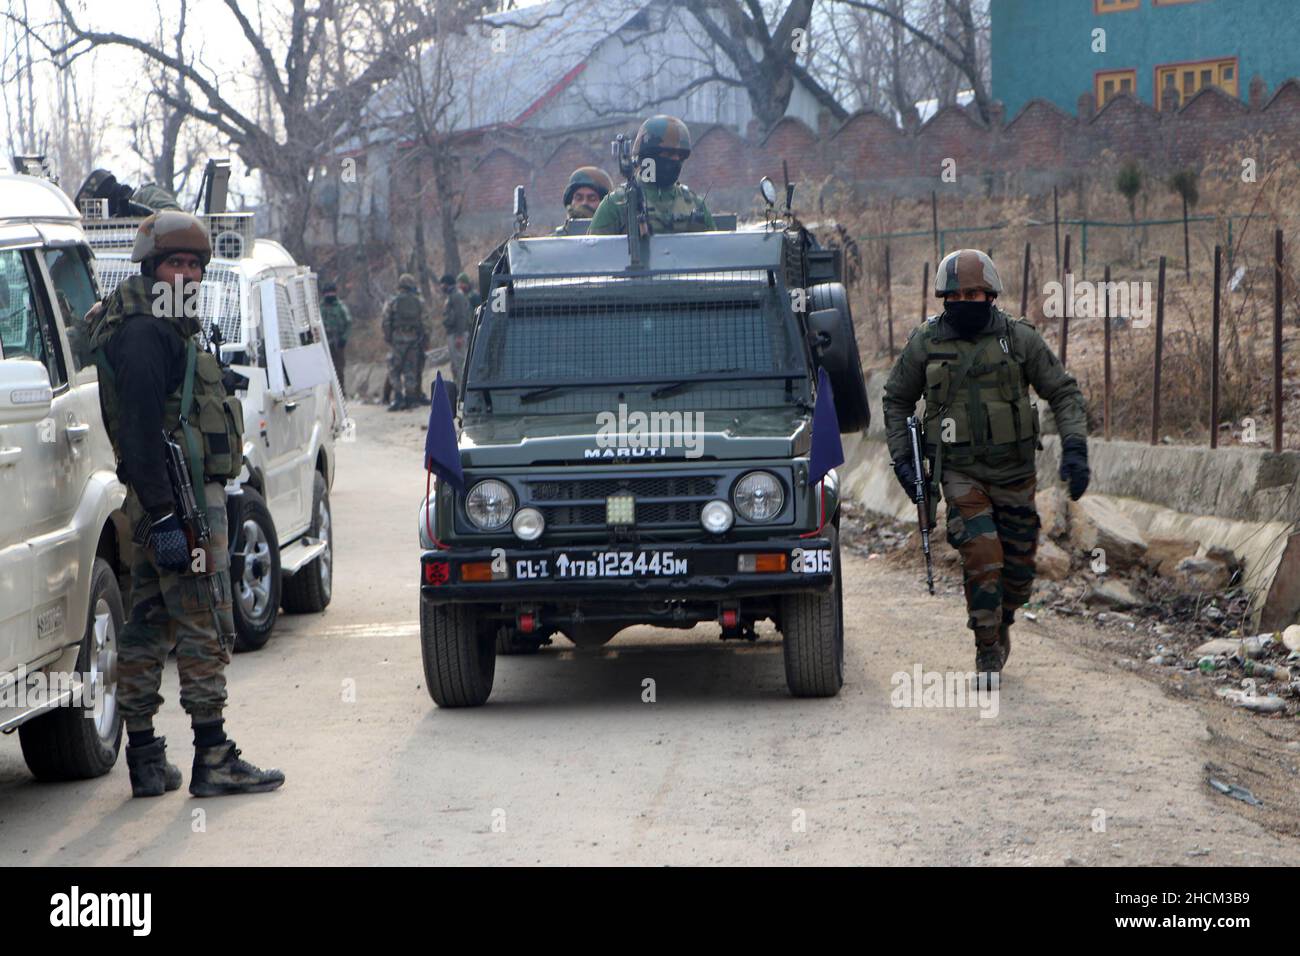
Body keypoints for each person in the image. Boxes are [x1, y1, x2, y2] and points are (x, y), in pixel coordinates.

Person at [87, 210, 284, 797]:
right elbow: (144, 431)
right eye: (176, 262)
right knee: (203, 621)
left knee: (147, 622)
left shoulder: (159, 322)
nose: (188, 273)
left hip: (163, 499)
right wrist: (170, 516)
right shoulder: (147, 333)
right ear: (152, 268)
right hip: (175, 499)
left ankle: (147, 761)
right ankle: (214, 758)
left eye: (196, 264)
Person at [882, 249, 1091, 681]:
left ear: (990, 293)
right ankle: (987, 646)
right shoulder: (926, 341)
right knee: (981, 552)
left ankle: (1004, 619)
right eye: (956, 294)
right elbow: (897, 398)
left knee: (1018, 567)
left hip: (1014, 471)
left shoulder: (1018, 338)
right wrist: (903, 459)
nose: (966, 300)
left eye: (974, 292)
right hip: (960, 473)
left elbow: (1063, 392)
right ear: (944, 297)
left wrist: (1075, 447)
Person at [588, 115, 715, 236]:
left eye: (681, 156)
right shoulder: (616, 205)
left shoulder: (695, 205)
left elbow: (715, 253)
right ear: (648, 155)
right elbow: (594, 253)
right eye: (669, 154)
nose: (676, 160)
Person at [382, 273, 427, 411]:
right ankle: (411, 399)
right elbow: (425, 322)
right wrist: (424, 339)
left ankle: (398, 397)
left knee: (394, 369)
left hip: (398, 339)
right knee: (410, 369)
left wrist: (389, 337)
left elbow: (386, 321)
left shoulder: (392, 301)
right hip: (414, 340)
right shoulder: (419, 301)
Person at [554, 166, 613, 235]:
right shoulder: (555, 242)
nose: (584, 203)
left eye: (592, 199)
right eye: (578, 198)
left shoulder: (615, 239)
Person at [440, 273, 472, 396]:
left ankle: (464, 391)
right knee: (455, 364)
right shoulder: (452, 295)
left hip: (457, 334)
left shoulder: (457, 296)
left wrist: (459, 336)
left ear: (447, 284)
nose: (441, 287)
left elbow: (461, 316)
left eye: (442, 284)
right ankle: (458, 390)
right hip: (452, 333)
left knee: (460, 363)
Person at [319, 281, 352, 393]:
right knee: (323, 369)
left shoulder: (341, 307)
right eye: (327, 293)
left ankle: (340, 392)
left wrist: (344, 338)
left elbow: (348, 323)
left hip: (337, 343)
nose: (330, 295)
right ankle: (326, 393)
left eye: (331, 293)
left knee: (339, 369)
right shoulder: (320, 308)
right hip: (323, 343)